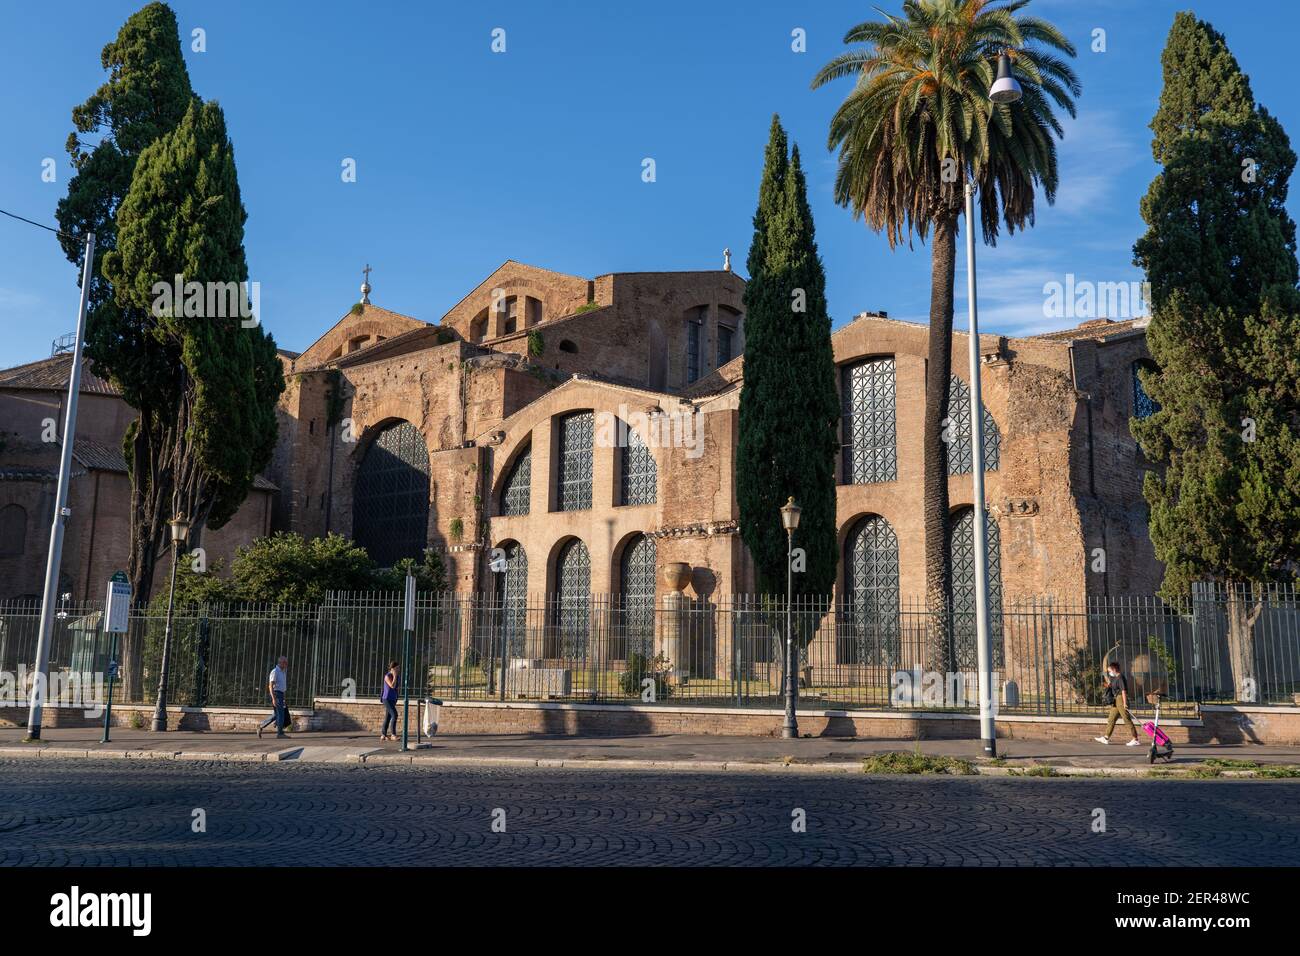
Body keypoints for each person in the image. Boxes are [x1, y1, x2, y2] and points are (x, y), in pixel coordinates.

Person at [1094, 659, 1141, 746]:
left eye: (1110, 671)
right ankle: (1106, 737)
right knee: (1111, 719)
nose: (1109, 673)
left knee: (1127, 719)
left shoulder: (1120, 677)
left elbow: (1123, 691)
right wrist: (1107, 685)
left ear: (1114, 669)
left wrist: (1125, 703)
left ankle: (1135, 739)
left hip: (1121, 699)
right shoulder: (1114, 677)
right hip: (1115, 700)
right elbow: (1113, 686)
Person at [257, 656, 290, 739]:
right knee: (281, 714)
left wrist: (284, 698)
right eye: (285, 662)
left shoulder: (283, 672)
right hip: (276, 694)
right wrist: (273, 698)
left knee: (276, 714)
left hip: (281, 694)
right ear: (281, 663)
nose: (287, 664)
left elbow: (282, 686)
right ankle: (280, 733)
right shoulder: (275, 672)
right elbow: (270, 686)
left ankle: (261, 726)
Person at [380, 661, 401, 741]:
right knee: (395, 715)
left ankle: (383, 735)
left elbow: (396, 687)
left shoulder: (397, 676)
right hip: (386, 699)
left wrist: (396, 697)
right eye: (397, 668)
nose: (398, 670)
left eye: (398, 668)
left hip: (393, 699)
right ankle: (393, 734)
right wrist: (394, 676)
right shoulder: (387, 676)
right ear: (392, 668)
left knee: (388, 717)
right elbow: (392, 686)